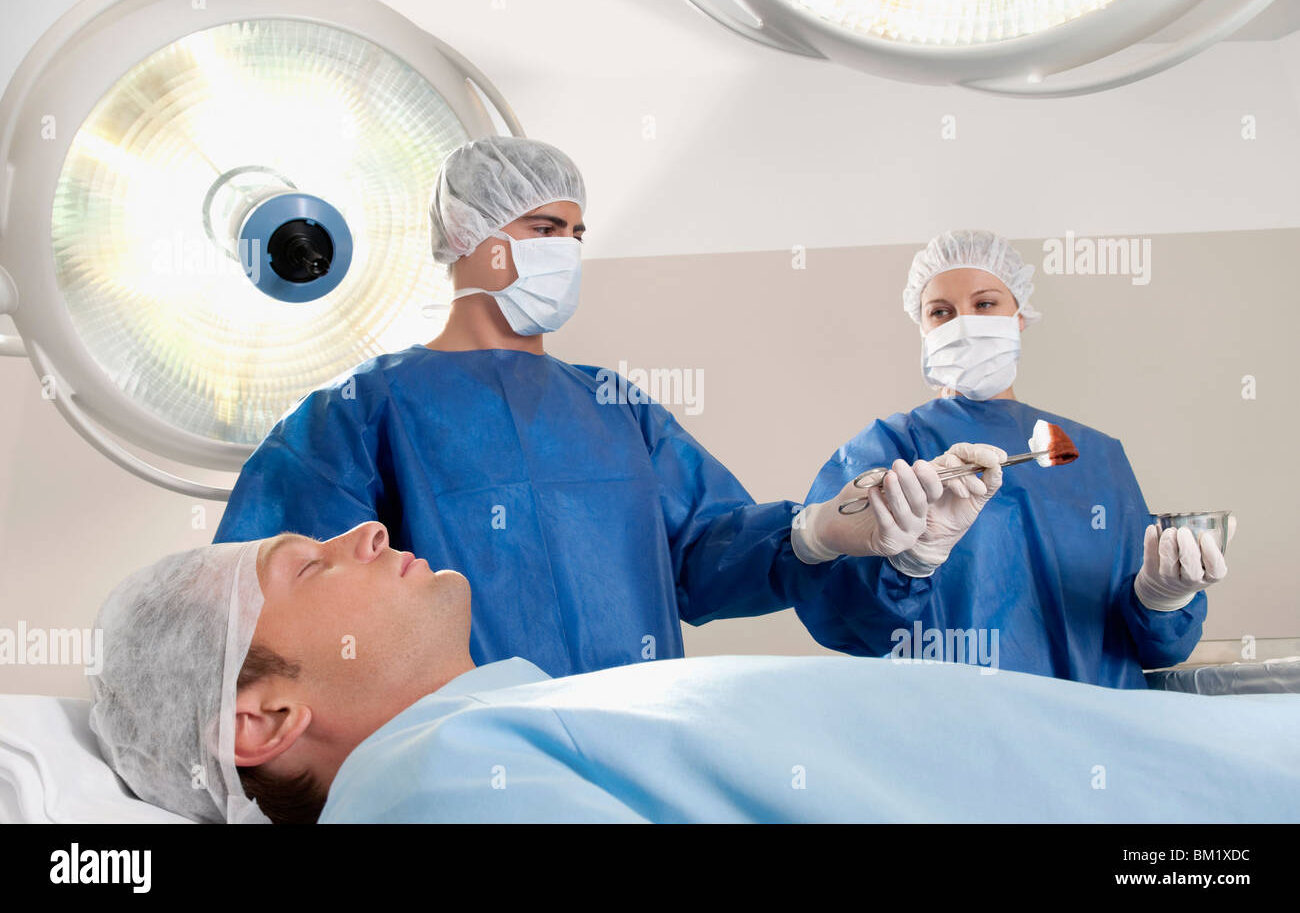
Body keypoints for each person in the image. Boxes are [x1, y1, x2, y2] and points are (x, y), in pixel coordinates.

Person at [213, 136, 957, 677]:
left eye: (575, 233)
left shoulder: (614, 407)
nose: (566, 250)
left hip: (633, 749)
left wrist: (816, 532)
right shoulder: (360, 413)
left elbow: (703, 554)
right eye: (544, 229)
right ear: (471, 236)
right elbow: (261, 606)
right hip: (463, 767)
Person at [87, 524, 1298, 825]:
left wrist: (816, 538)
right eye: (304, 566)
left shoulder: (510, 725)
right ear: (265, 713)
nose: (356, 531)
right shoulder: (423, 781)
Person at [794, 230, 1230, 689]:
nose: (963, 324)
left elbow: (1155, 648)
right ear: (921, 327)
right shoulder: (889, 450)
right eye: (941, 312)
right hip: (948, 728)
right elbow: (838, 617)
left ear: (1018, 316)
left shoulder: (1094, 455)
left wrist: (1162, 599)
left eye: (985, 305)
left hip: (1092, 731)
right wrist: (910, 565)